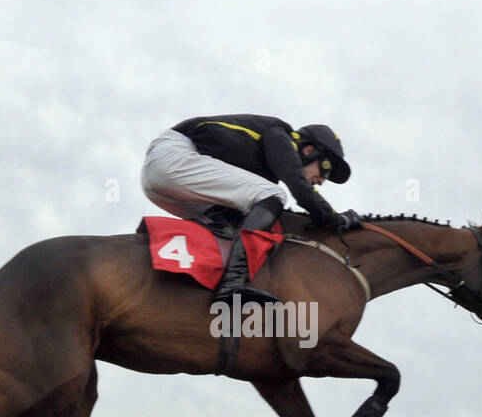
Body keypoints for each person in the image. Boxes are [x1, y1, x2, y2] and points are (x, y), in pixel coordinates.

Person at [141, 114, 360, 305]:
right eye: (325, 169)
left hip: (163, 181)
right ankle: (233, 283)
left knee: (236, 219)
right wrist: (335, 218)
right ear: (308, 150)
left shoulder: (262, 165)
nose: (322, 181)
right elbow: (299, 189)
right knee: (273, 195)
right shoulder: (279, 133)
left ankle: (197, 283)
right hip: (174, 158)